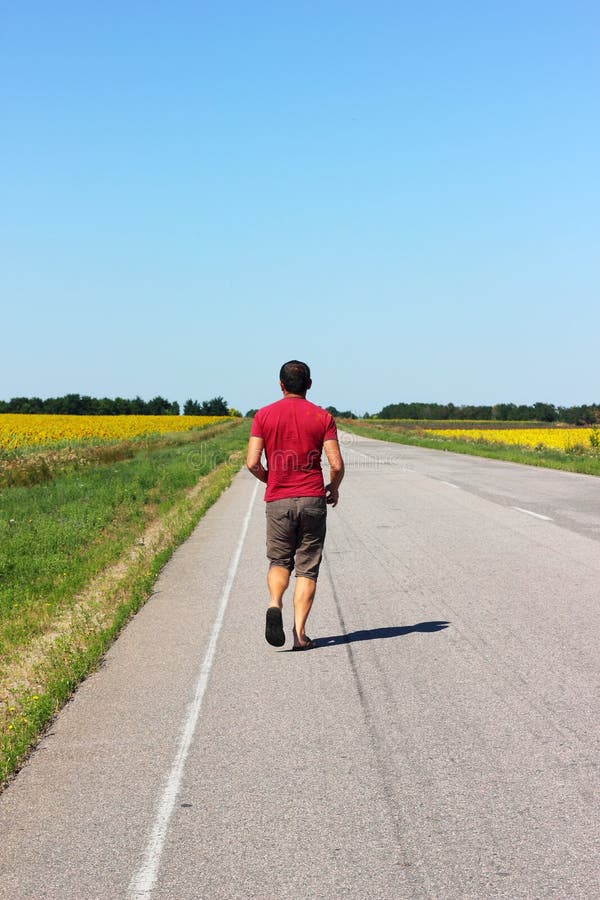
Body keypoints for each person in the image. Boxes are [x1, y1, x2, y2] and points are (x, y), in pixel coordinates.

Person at [246, 360, 345, 650]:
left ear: (280, 384)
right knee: (307, 569)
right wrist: (333, 488)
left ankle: (274, 602)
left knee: (279, 561)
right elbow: (336, 465)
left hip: (278, 500)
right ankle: (300, 635)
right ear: (309, 385)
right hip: (313, 499)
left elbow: (252, 462)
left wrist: (271, 479)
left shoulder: (263, 416)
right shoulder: (322, 417)